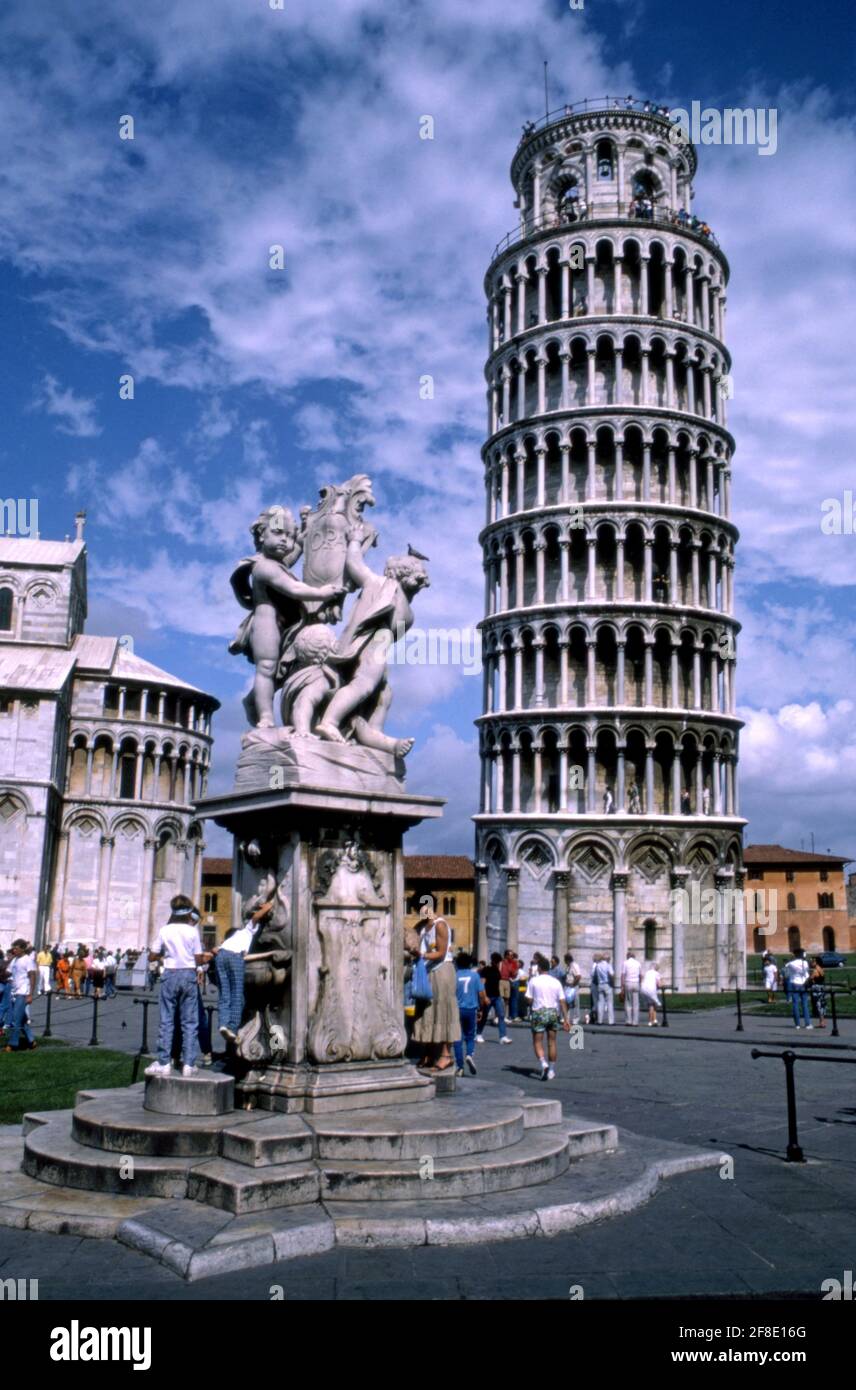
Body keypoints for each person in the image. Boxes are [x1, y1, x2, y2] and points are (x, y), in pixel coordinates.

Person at [146, 895, 214, 1077]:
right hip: (188, 974)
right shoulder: (192, 932)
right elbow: (199, 958)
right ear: (189, 912)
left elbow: (151, 956)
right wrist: (205, 957)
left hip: (170, 974)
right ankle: (189, 1064)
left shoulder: (165, 930)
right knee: (190, 1022)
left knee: (166, 1020)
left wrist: (164, 955)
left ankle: (164, 1062)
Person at [410, 895, 461, 1072]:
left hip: (442, 971)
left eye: (420, 908)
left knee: (444, 1010)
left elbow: (440, 952)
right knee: (428, 1011)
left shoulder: (440, 925)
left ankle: (446, 1055)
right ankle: (429, 1051)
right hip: (428, 972)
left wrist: (421, 955)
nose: (419, 913)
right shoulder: (423, 927)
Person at [216, 901, 272, 1043]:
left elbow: (244, 957)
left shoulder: (235, 937)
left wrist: (267, 955)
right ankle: (232, 1028)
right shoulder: (248, 930)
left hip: (221, 956)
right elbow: (255, 918)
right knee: (238, 995)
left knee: (225, 994)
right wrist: (268, 907)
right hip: (235, 957)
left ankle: (223, 1024)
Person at [525, 954, 571, 1080]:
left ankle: (543, 1064)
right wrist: (566, 1019)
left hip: (539, 1012)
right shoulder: (556, 982)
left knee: (537, 1041)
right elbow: (562, 1001)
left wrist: (531, 1001)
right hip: (553, 1013)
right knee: (552, 1042)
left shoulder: (534, 981)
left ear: (539, 968)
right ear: (549, 968)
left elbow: (528, 999)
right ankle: (551, 1070)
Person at [453, 952, 486, 1076]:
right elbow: (482, 995)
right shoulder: (475, 976)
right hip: (471, 1009)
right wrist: (481, 1009)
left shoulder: (455, 976)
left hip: (457, 1009)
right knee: (470, 1035)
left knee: (457, 1038)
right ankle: (469, 1054)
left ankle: (460, 1067)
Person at [3, 940, 38, 1052]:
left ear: (23, 949)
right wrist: (8, 961)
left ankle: (12, 1044)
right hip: (14, 992)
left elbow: (32, 977)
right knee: (22, 1019)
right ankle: (31, 1042)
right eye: (13, 948)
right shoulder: (15, 960)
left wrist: (30, 994)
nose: (14, 950)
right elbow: (8, 972)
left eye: (16, 948)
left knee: (15, 1020)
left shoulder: (28, 960)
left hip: (23, 993)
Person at [477, 952, 512, 1045]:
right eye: (498, 962)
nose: (498, 963)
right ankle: (478, 1034)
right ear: (494, 961)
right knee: (484, 1016)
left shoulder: (497, 970)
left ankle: (503, 1036)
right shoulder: (486, 969)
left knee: (501, 1015)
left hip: (497, 996)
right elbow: (482, 983)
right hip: (488, 996)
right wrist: (484, 997)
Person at [783, 948, 812, 1030]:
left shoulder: (791, 963)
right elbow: (807, 972)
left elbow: (786, 967)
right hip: (803, 983)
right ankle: (807, 1023)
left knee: (795, 1004)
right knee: (805, 1004)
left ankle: (797, 1024)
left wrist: (791, 958)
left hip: (794, 983)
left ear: (795, 954)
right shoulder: (805, 963)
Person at [621, 951, 642, 1025]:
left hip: (628, 982)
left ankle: (628, 1021)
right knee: (636, 1004)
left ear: (628, 956)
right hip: (636, 983)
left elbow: (623, 975)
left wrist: (622, 986)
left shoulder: (625, 963)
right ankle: (635, 1022)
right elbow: (640, 975)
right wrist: (640, 983)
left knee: (628, 1003)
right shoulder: (638, 963)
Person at [593, 953, 615, 1024]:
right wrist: (612, 983)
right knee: (609, 1003)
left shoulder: (598, 966)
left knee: (600, 1003)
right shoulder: (608, 965)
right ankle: (611, 1021)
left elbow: (595, 976)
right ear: (607, 959)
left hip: (600, 984)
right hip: (607, 984)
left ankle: (599, 1020)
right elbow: (611, 975)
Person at [640, 960, 662, 1025]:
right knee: (655, 1004)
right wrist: (662, 983)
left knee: (651, 1005)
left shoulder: (647, 972)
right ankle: (654, 1020)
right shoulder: (656, 973)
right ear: (656, 968)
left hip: (643, 989)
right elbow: (659, 984)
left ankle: (651, 1021)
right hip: (651, 989)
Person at [562, 953, 581, 1022]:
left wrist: (573, 984)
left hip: (573, 986)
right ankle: (566, 1017)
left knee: (575, 1002)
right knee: (567, 1002)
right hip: (567, 986)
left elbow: (578, 976)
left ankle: (576, 1018)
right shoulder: (568, 966)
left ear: (567, 960)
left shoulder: (574, 966)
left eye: (565, 960)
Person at [810, 956, 827, 1029]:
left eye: (813, 961)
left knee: (818, 1005)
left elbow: (810, 979)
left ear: (816, 962)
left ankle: (822, 1022)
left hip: (817, 989)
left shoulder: (815, 970)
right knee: (822, 1005)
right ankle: (822, 1022)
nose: (811, 963)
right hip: (822, 987)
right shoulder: (821, 969)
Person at [499, 949, 516, 1022]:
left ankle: (505, 1016)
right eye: (510, 955)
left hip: (507, 981)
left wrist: (515, 972)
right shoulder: (501, 963)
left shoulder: (511, 964)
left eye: (512, 955)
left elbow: (513, 975)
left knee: (507, 1000)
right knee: (500, 999)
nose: (512, 956)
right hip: (501, 981)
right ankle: (498, 1016)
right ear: (506, 955)